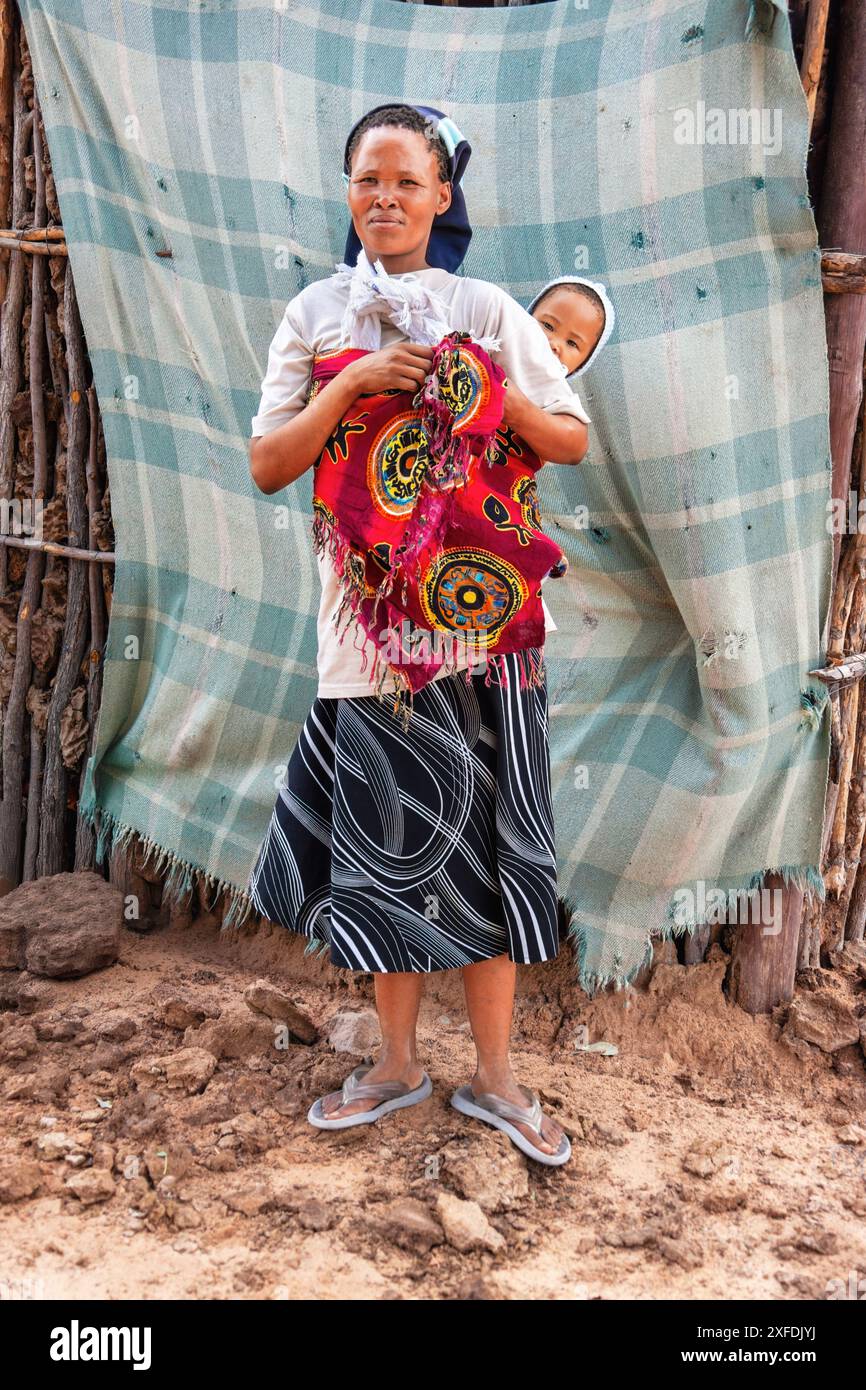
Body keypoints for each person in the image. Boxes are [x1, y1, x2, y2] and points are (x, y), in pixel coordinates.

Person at [247, 102, 591, 1166]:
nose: (385, 197)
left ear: (443, 195)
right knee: (385, 854)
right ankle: (394, 1066)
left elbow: (568, 438)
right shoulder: (315, 315)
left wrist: (483, 387)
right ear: (346, 193)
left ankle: (495, 1080)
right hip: (365, 648)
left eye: (406, 180)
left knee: (485, 852)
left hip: (481, 637)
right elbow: (267, 463)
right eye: (366, 180)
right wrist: (350, 382)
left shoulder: (485, 309)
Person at [527, 275, 615, 380]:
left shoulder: (558, 396)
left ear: (581, 365)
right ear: (527, 316)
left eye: (572, 343)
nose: (554, 345)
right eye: (548, 326)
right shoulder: (503, 349)